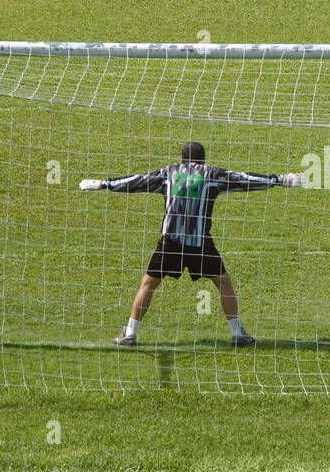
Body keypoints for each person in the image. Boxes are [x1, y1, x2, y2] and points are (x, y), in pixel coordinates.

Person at [78, 141, 305, 347]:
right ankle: (237, 333)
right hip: (200, 244)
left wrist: (104, 184)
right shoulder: (212, 174)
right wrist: (279, 180)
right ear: (203, 159)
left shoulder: (168, 172)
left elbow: (137, 182)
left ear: (182, 158)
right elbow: (244, 179)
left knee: (148, 284)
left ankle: (130, 333)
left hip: (170, 242)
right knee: (223, 282)